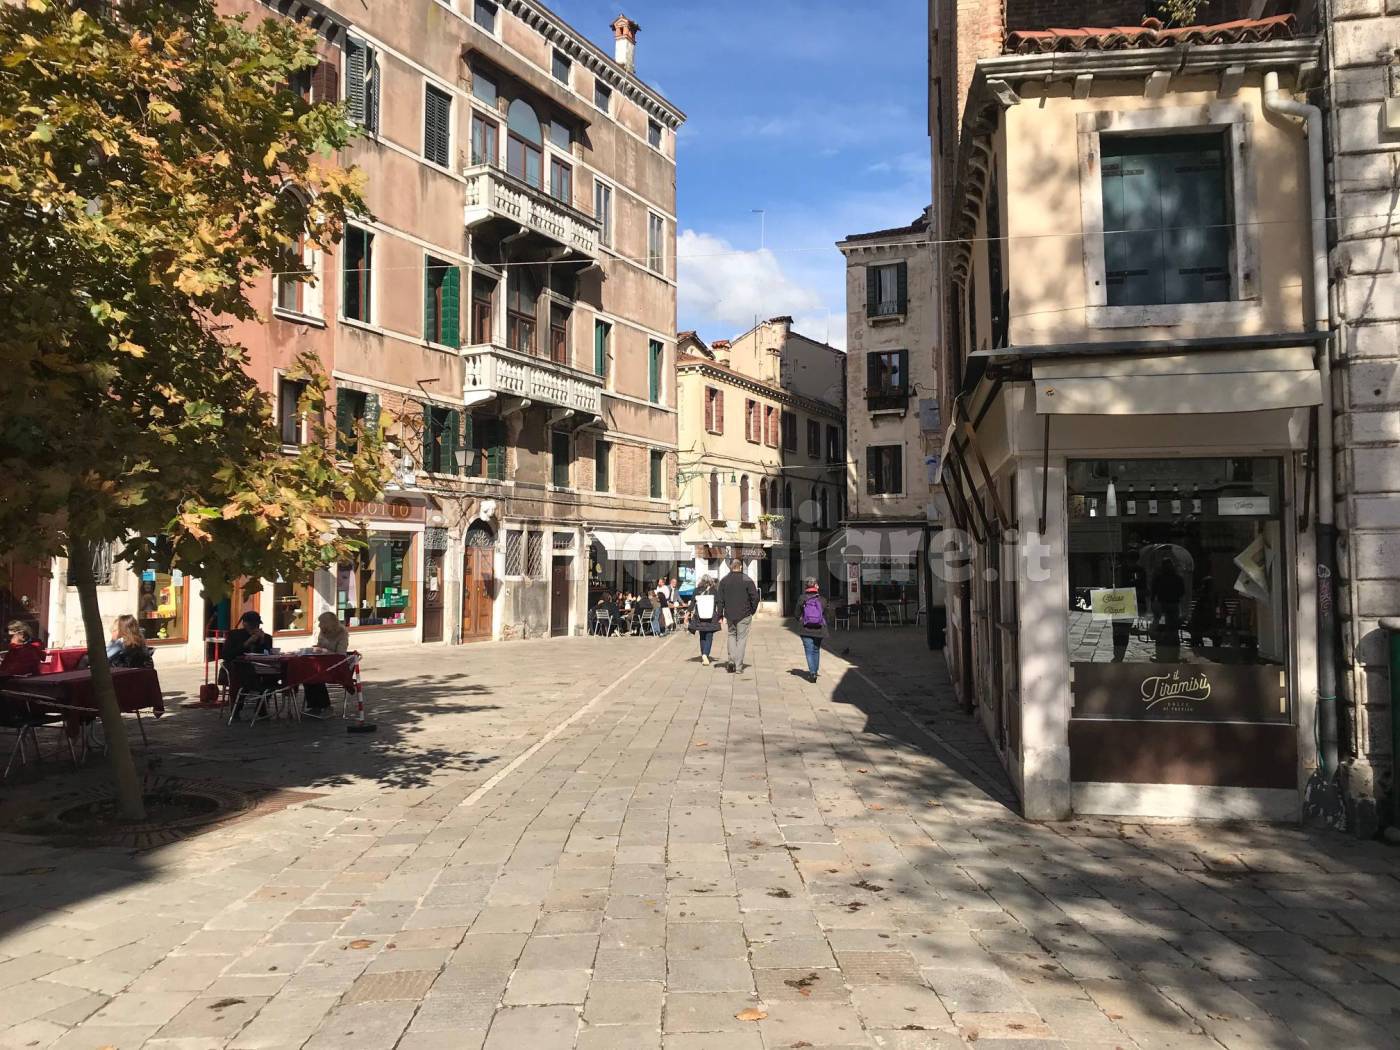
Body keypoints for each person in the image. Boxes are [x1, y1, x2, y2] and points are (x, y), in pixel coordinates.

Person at [222, 610, 272, 719]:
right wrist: (247, 643)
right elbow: (227, 655)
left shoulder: (266, 637)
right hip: (239, 669)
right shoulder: (234, 635)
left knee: (271, 679)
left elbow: (268, 653)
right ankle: (236, 710)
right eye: (252, 625)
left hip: (261, 669)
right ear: (244, 624)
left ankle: (261, 708)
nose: (255, 627)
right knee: (242, 679)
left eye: (257, 625)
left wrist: (262, 641)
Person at [716, 559, 760, 674]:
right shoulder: (747, 579)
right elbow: (755, 597)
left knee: (731, 635)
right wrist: (752, 610)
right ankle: (738, 666)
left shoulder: (724, 580)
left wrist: (720, 614)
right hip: (744, 614)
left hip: (730, 614)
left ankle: (731, 661)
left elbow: (719, 600)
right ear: (740, 567)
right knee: (741, 639)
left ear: (731, 567)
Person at [304, 611, 349, 714]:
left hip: (336, 666)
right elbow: (320, 646)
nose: (319, 625)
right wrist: (315, 649)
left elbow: (341, 654)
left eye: (321, 622)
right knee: (307, 674)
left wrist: (325, 651)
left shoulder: (342, 634)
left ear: (328, 623)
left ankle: (325, 705)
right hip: (322, 664)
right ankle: (314, 705)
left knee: (316, 676)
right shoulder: (323, 632)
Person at [796, 577, 829, 683]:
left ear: (806, 586)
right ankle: (815, 670)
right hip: (819, 629)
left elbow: (796, 613)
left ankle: (812, 673)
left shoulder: (802, 598)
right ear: (816, 586)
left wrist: (801, 619)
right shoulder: (822, 600)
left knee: (809, 651)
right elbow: (826, 614)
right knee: (816, 649)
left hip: (805, 628)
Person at [689, 575, 722, 665]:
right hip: (710, 617)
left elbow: (692, 603)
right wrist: (720, 615)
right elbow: (719, 603)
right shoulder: (714, 591)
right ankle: (705, 654)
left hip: (699, 617)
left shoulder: (697, 590)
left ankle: (704, 655)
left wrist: (687, 614)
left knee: (702, 636)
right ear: (711, 582)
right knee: (709, 636)